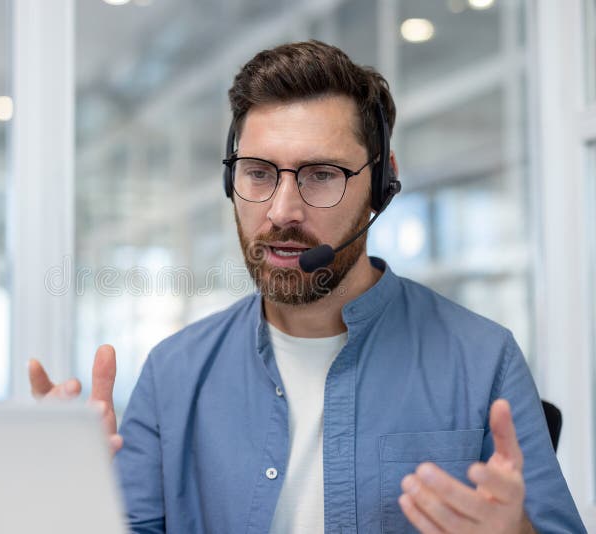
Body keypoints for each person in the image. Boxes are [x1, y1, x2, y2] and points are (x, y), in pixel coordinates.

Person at [29, 40, 586, 533]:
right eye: (258, 172)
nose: (282, 210)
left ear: (383, 183)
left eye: (321, 174)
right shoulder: (173, 372)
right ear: (231, 179)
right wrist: (71, 504)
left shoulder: (483, 359)